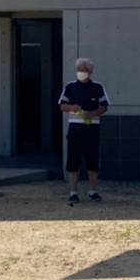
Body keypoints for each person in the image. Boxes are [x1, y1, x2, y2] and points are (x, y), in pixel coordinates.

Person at [58, 57, 109, 205]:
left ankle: (93, 190)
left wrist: (93, 113)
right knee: (73, 159)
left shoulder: (98, 87)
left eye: (84, 70)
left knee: (92, 159)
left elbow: (104, 106)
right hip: (75, 127)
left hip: (92, 128)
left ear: (90, 72)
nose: (81, 72)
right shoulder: (70, 86)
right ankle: (73, 192)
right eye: (79, 69)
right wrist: (71, 108)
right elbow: (62, 105)